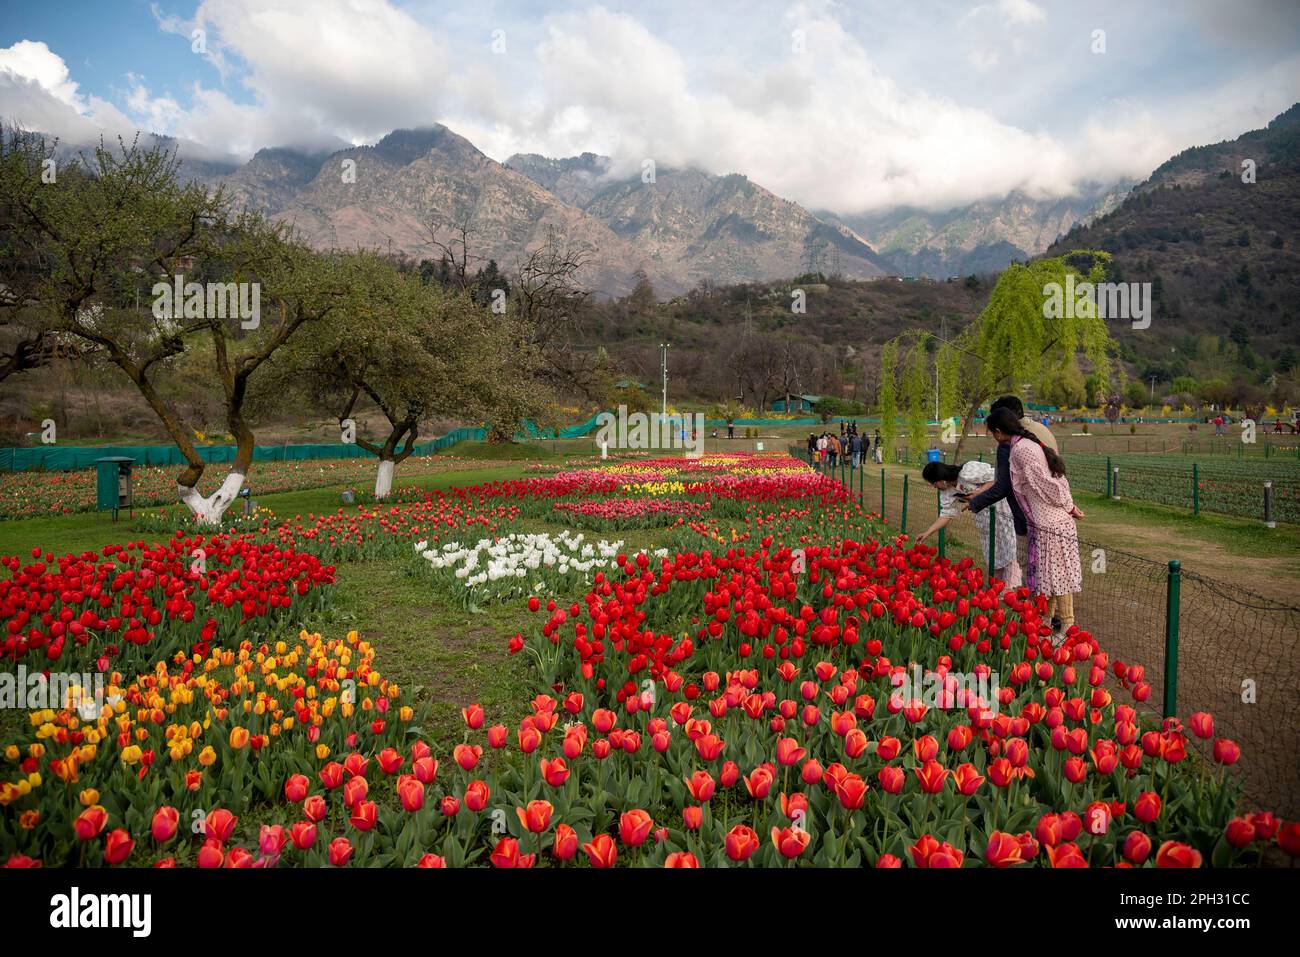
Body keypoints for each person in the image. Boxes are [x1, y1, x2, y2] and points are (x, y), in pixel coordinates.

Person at [985, 407, 1084, 645]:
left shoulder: (1021, 450)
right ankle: (1045, 623)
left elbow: (1047, 483)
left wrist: (1069, 506)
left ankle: (1067, 628)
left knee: (1059, 578)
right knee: (1046, 578)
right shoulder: (1023, 445)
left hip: (1053, 522)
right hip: (1045, 521)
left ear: (999, 432)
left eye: (992, 433)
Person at [916, 460, 1021, 587]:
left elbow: (997, 478)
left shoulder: (967, 471)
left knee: (1008, 546)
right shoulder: (948, 492)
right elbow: (946, 514)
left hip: (1001, 510)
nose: (934, 487)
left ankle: (1011, 586)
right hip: (984, 517)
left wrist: (979, 492)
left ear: (940, 479)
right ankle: (997, 585)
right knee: (992, 550)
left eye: (933, 483)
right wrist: (927, 533)